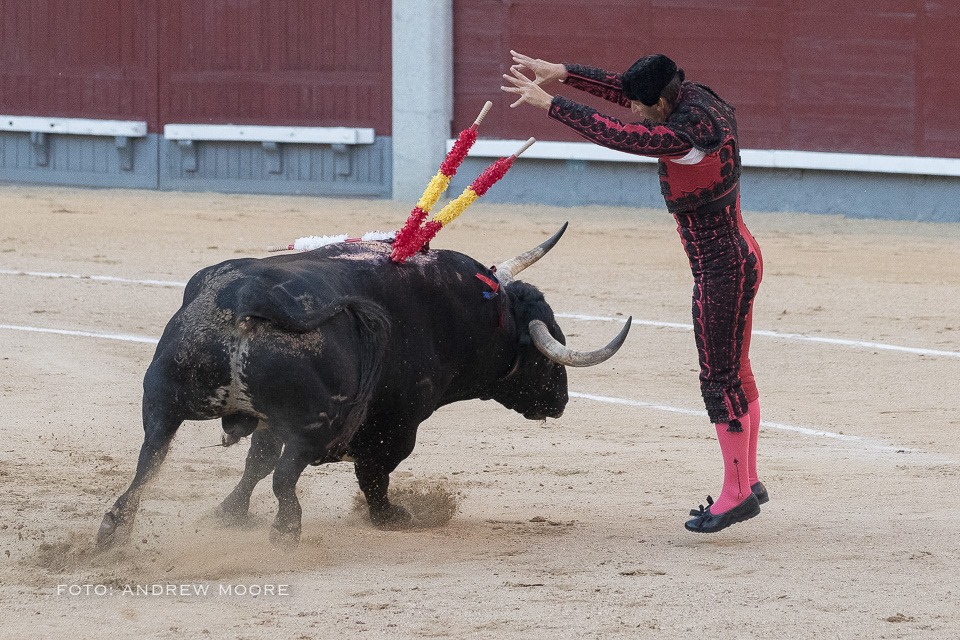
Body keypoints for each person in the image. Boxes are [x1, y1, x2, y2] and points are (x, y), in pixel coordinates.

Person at [501, 50, 766, 533]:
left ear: (660, 104)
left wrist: (551, 104)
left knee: (718, 379)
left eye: (641, 106)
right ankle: (746, 480)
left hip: (720, 271)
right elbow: (624, 90)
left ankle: (737, 495)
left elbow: (617, 134)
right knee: (736, 370)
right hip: (742, 253)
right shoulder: (695, 98)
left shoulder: (682, 137)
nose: (635, 111)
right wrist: (563, 73)